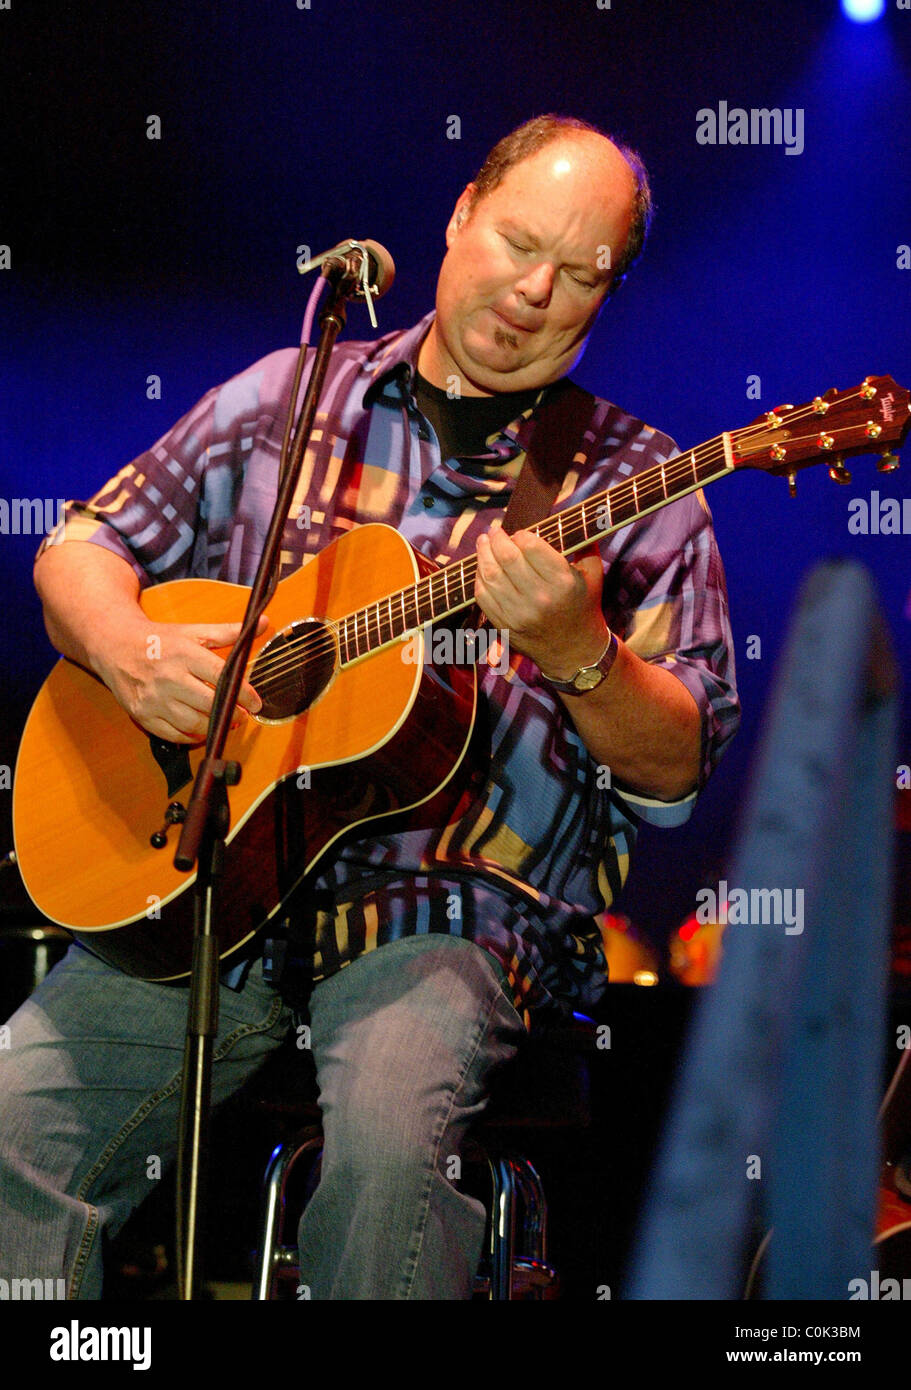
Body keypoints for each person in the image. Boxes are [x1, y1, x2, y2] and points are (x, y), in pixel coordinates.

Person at [0, 115, 739, 1300]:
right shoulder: (288, 398)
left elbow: (674, 773)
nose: (535, 289)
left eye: (581, 272)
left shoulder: (626, 483)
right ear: (458, 214)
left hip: (444, 917)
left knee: (392, 1161)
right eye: (516, 241)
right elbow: (81, 546)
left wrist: (580, 652)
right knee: (8, 1126)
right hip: (207, 883)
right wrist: (130, 649)